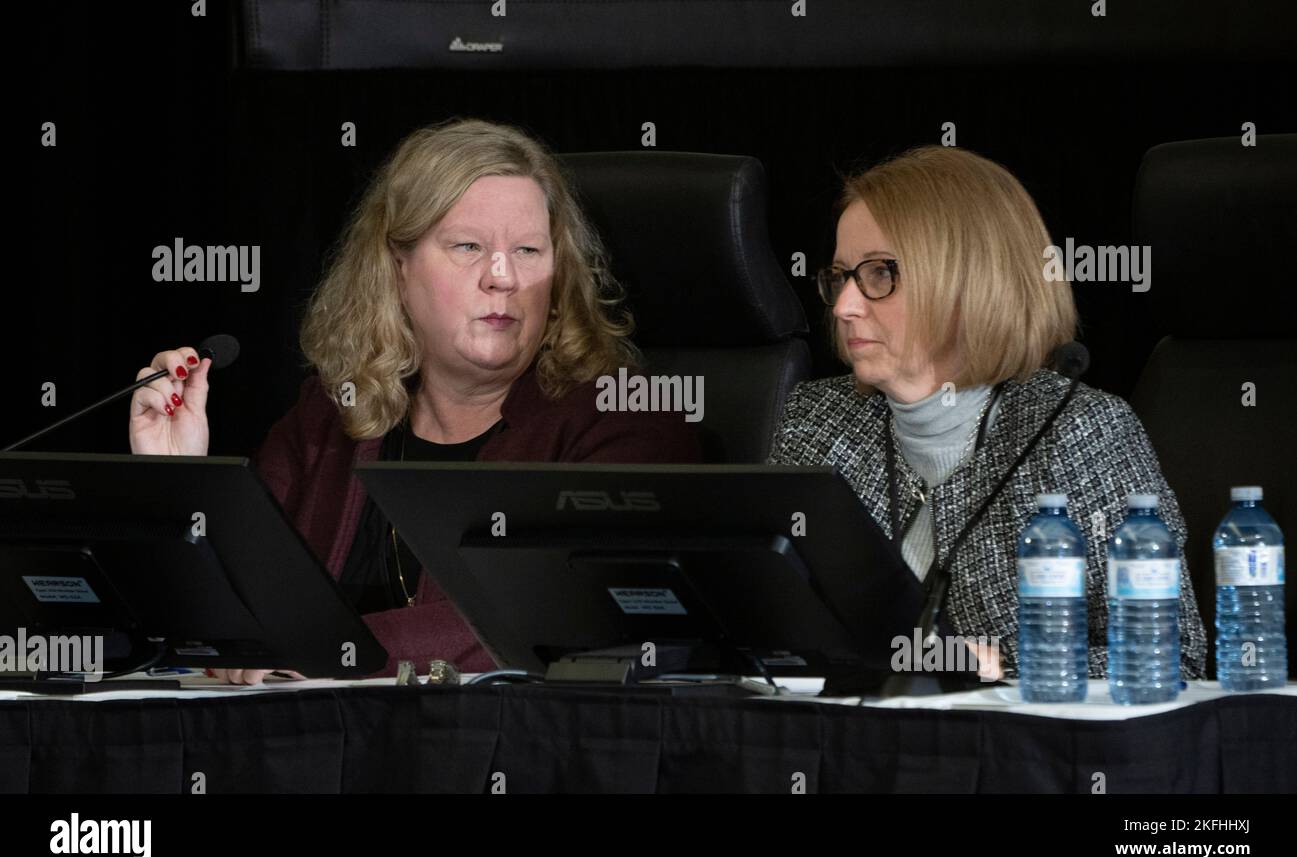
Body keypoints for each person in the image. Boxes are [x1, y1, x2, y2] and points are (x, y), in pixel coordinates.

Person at [129, 118, 700, 683]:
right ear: (398, 267)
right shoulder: (333, 413)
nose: (502, 277)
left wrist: (321, 650)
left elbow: (565, 612)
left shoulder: (627, 418)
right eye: (468, 246)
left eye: (528, 249)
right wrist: (181, 481)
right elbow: (227, 614)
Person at [768, 145, 1206, 681]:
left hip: (1022, 754)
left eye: (879, 273)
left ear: (968, 280)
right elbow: (772, 630)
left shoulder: (1078, 429)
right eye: (840, 277)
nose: (843, 306)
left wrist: (1005, 665)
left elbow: (1172, 658)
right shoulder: (815, 421)